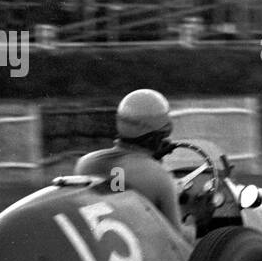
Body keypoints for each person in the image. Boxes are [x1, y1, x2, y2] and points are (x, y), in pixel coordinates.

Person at [75, 89, 185, 235]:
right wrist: (194, 221)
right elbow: (177, 241)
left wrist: (150, 157)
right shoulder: (159, 176)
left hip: (100, 248)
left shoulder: (85, 164)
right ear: (160, 135)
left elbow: (117, 183)